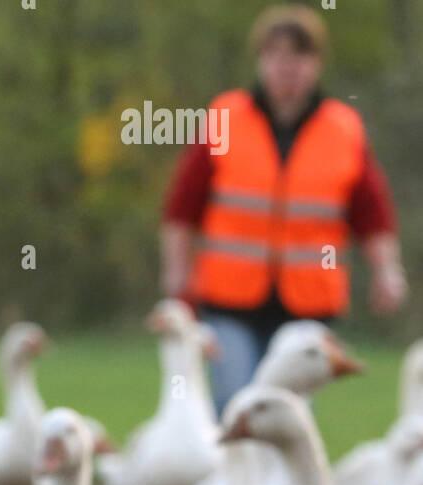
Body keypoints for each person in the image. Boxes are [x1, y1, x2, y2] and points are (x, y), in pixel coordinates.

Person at [160, 4, 406, 413]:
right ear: (260, 61)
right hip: (228, 299)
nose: (286, 66)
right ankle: (240, 478)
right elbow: (182, 208)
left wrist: (387, 272)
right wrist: (176, 272)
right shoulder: (226, 116)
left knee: (288, 414)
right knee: (237, 404)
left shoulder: (342, 128)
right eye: (275, 55)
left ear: (316, 63)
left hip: (308, 303)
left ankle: (289, 481)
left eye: (298, 55)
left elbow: (372, 214)